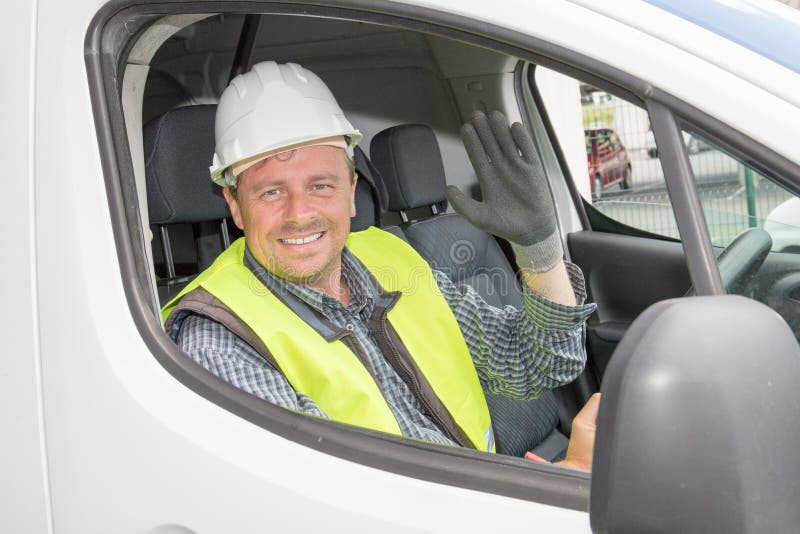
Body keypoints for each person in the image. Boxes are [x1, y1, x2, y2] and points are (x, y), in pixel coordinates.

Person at [162, 61, 598, 470]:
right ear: (235, 206)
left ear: (352, 191)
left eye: (321, 185)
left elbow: (537, 366)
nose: (299, 212)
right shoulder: (219, 337)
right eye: (271, 192)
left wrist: (539, 251)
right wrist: (559, 488)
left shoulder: (394, 262)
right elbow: (325, 505)